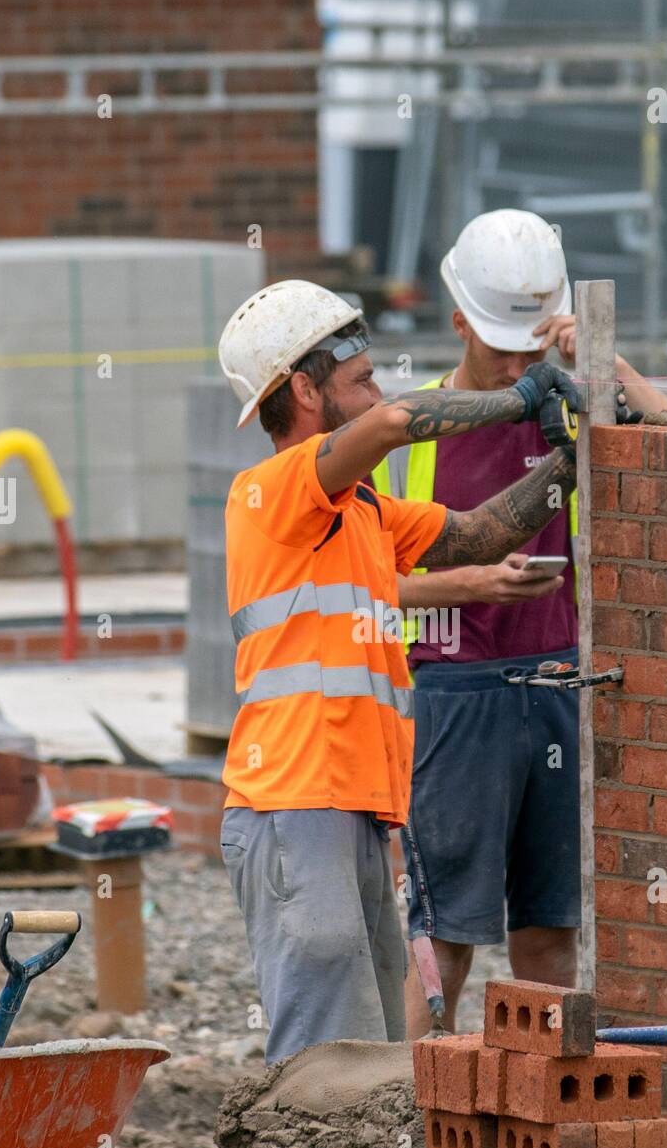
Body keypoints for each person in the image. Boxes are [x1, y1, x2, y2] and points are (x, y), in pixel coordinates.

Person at [216, 277, 584, 1062]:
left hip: (346, 805)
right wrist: (518, 398)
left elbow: (482, 535)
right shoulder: (275, 490)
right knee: (324, 1059)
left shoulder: (363, 512)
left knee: (374, 1056)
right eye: (362, 377)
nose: (379, 389)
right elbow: (392, 423)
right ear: (307, 391)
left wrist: (575, 459)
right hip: (292, 801)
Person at [372, 209, 667, 1038]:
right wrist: (472, 582)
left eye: (531, 345)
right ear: (456, 322)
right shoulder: (412, 427)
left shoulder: (577, 407)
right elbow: (366, 587)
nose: (520, 364)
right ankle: (415, 1117)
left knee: (549, 936)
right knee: (446, 933)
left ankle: (539, 1119)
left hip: (558, 682)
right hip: (455, 695)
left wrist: (609, 365)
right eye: (501, 345)